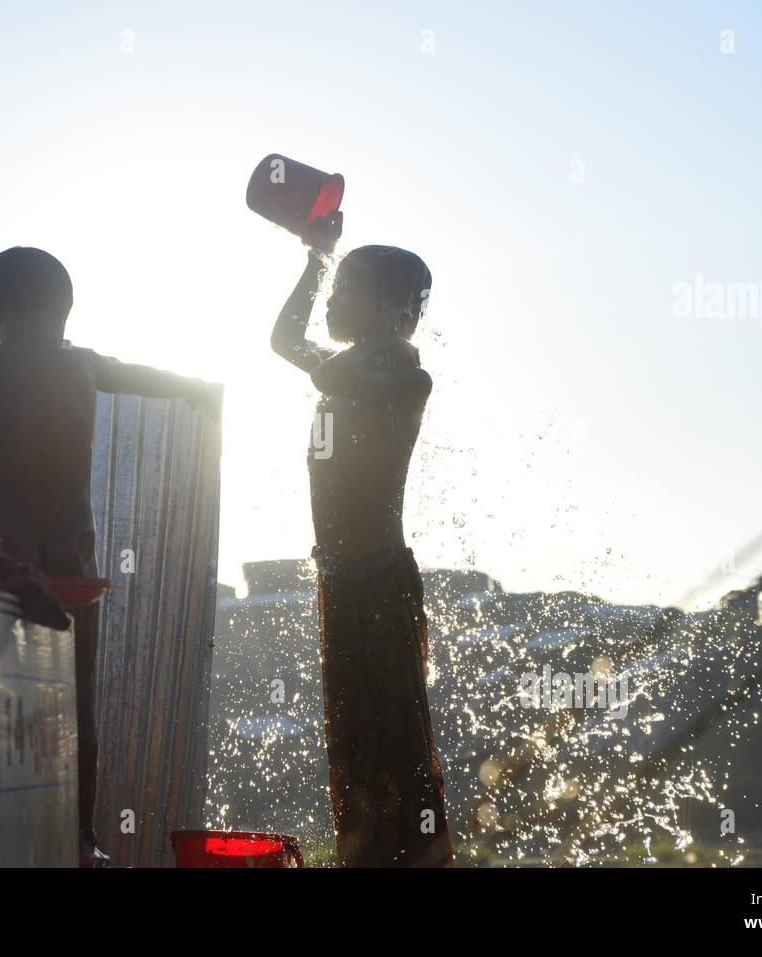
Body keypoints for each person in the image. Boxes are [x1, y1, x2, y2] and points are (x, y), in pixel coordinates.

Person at [0, 246, 217, 867]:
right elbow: (151, 377)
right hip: (74, 569)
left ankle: (2, 827)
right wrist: (196, 389)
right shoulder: (84, 365)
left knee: (0, 694)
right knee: (77, 701)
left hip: (4, 571)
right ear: (66, 312)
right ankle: (81, 835)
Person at [270, 213, 454, 867]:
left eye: (346, 287)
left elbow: (322, 369)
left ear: (391, 308)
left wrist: (326, 260)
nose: (332, 301)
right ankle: (366, 859)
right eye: (334, 286)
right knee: (353, 741)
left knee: (399, 740)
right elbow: (284, 337)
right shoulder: (349, 365)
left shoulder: (406, 378)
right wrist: (317, 258)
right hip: (342, 581)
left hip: (379, 579)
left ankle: (420, 860)